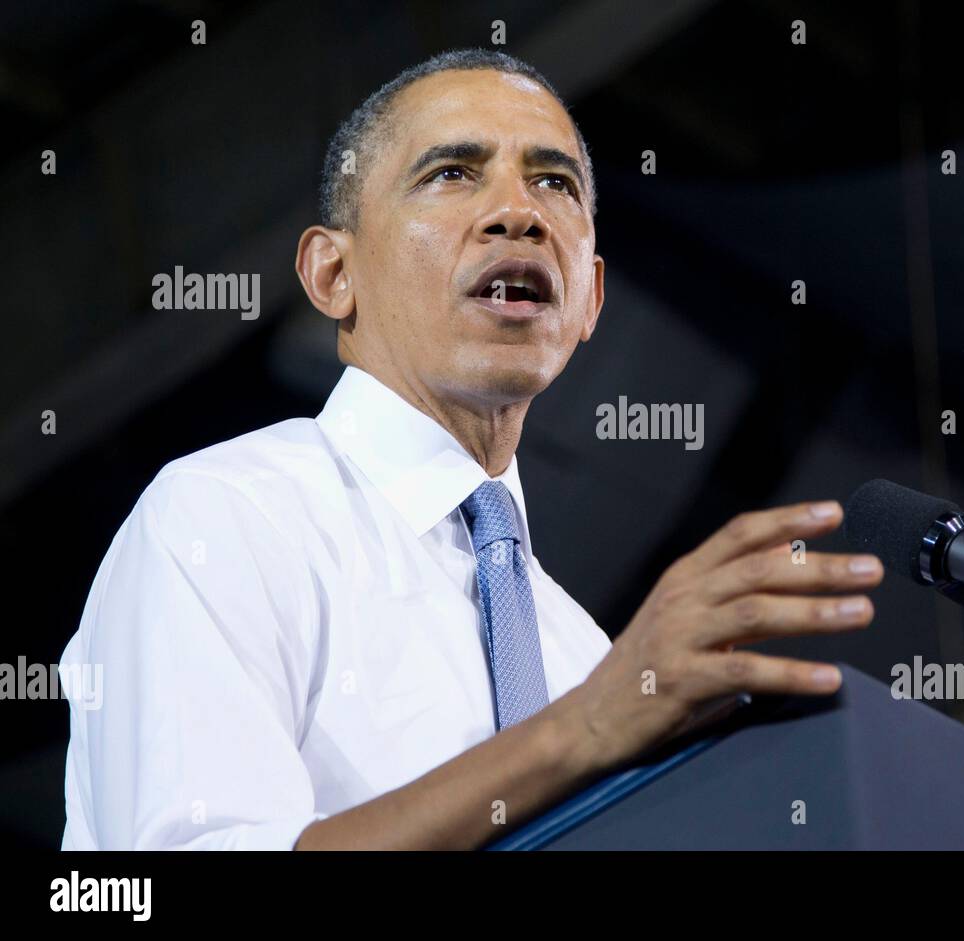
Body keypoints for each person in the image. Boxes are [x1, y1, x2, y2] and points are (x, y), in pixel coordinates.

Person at [58, 48, 883, 850]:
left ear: (590, 298)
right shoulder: (225, 517)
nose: (518, 211)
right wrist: (580, 729)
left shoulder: (583, 653)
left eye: (554, 182)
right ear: (332, 274)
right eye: (452, 172)